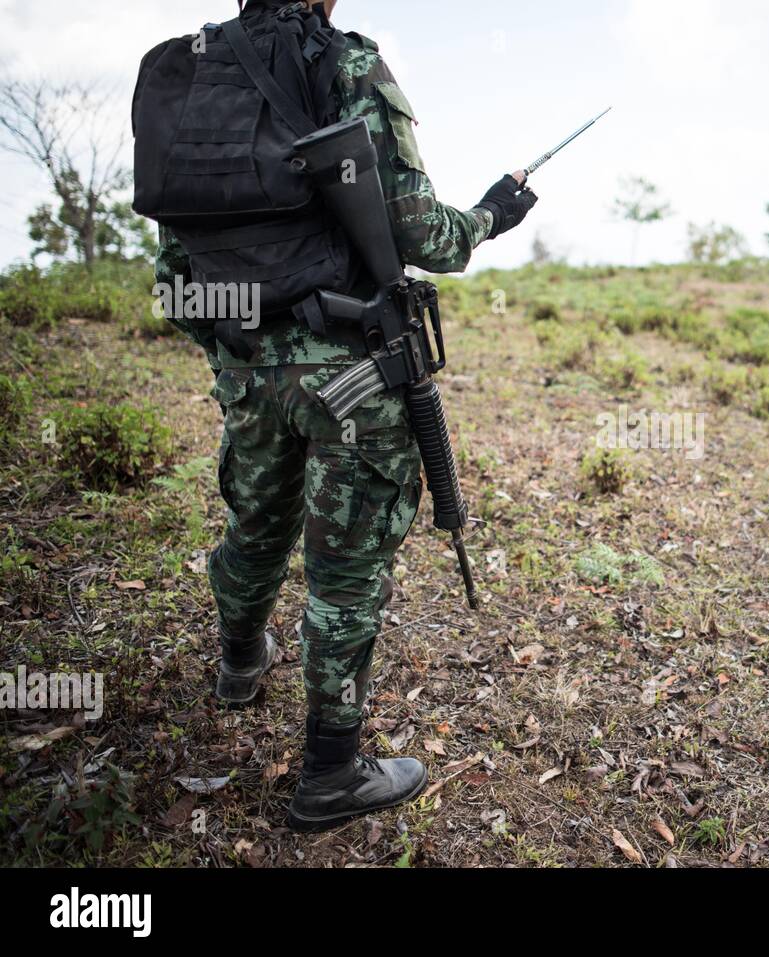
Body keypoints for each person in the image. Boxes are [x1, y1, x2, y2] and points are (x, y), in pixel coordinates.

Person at [154, 0, 537, 831]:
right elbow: (422, 234)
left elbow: (173, 256)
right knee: (347, 564)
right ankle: (330, 770)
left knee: (254, 521)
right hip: (352, 368)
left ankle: (238, 663)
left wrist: (235, 346)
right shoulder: (350, 63)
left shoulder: (190, 74)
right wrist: (492, 216)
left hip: (246, 361)